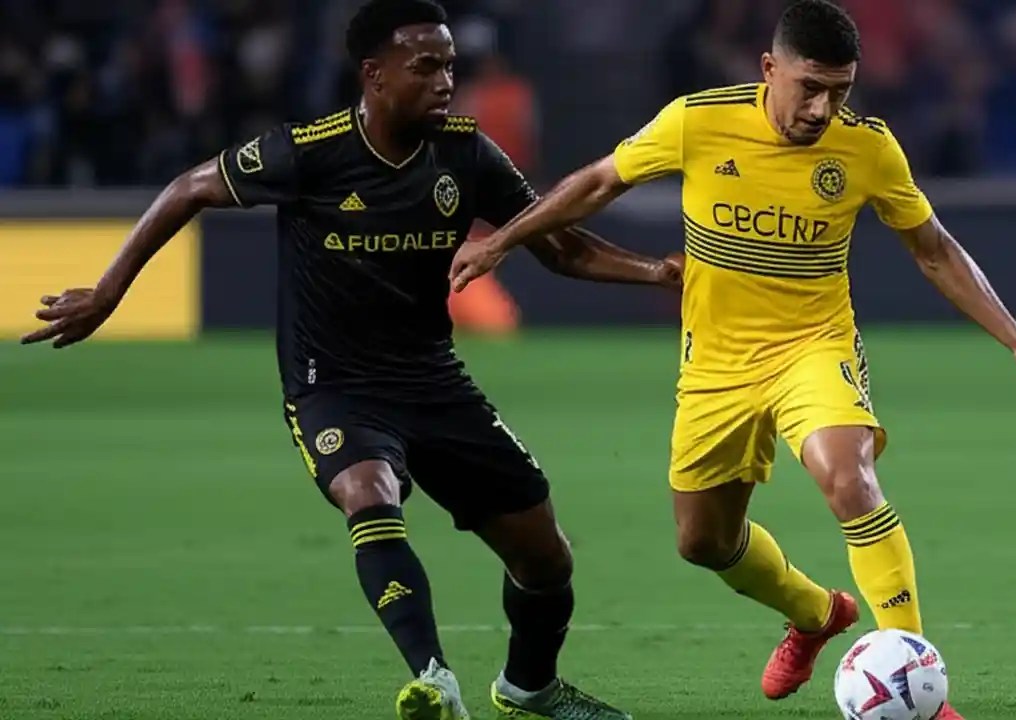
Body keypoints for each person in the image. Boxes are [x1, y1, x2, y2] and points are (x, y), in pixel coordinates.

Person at [21, 1, 678, 718]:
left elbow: (561, 247)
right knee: (370, 494)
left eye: (450, 65)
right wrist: (110, 292)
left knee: (545, 555)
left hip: (433, 379)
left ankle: (529, 686)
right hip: (332, 383)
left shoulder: (467, 154)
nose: (444, 81)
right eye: (424, 66)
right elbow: (188, 189)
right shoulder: (309, 151)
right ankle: (435, 678)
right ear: (374, 74)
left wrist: (658, 272)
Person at [447, 2, 1016, 718]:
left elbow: (934, 249)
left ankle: (912, 677)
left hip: (814, 348)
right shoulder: (698, 121)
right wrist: (500, 241)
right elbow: (597, 182)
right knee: (703, 541)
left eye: (841, 90)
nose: (824, 107)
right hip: (715, 365)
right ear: (769, 69)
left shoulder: (867, 148)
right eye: (810, 86)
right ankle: (813, 613)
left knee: (849, 476)